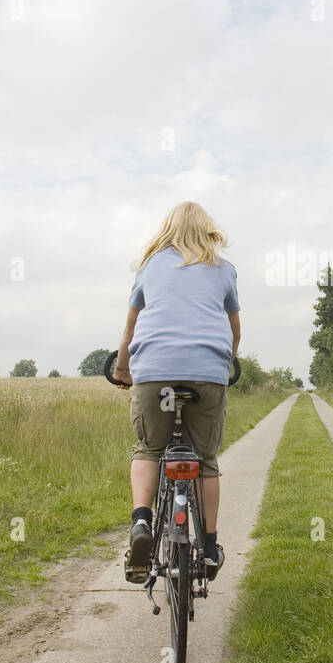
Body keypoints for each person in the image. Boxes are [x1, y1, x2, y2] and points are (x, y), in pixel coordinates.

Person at [113, 201, 240, 584]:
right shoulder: (224, 270)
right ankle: (211, 545)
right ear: (209, 230)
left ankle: (141, 524)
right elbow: (234, 330)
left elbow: (131, 329)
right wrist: (223, 366)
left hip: (154, 373)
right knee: (205, 459)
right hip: (208, 373)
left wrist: (122, 370)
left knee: (150, 449)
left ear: (166, 230)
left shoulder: (149, 267)